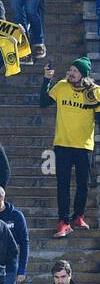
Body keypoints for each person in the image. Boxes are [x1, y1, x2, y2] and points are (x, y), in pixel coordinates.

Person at [39, 58, 100, 237]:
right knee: (62, 185)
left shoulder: (94, 91)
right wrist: (46, 79)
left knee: (84, 184)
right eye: (70, 69)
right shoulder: (61, 86)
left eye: (75, 70)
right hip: (62, 145)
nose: (71, 73)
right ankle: (63, 221)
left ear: (84, 74)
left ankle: (78, 216)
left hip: (84, 146)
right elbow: (43, 102)